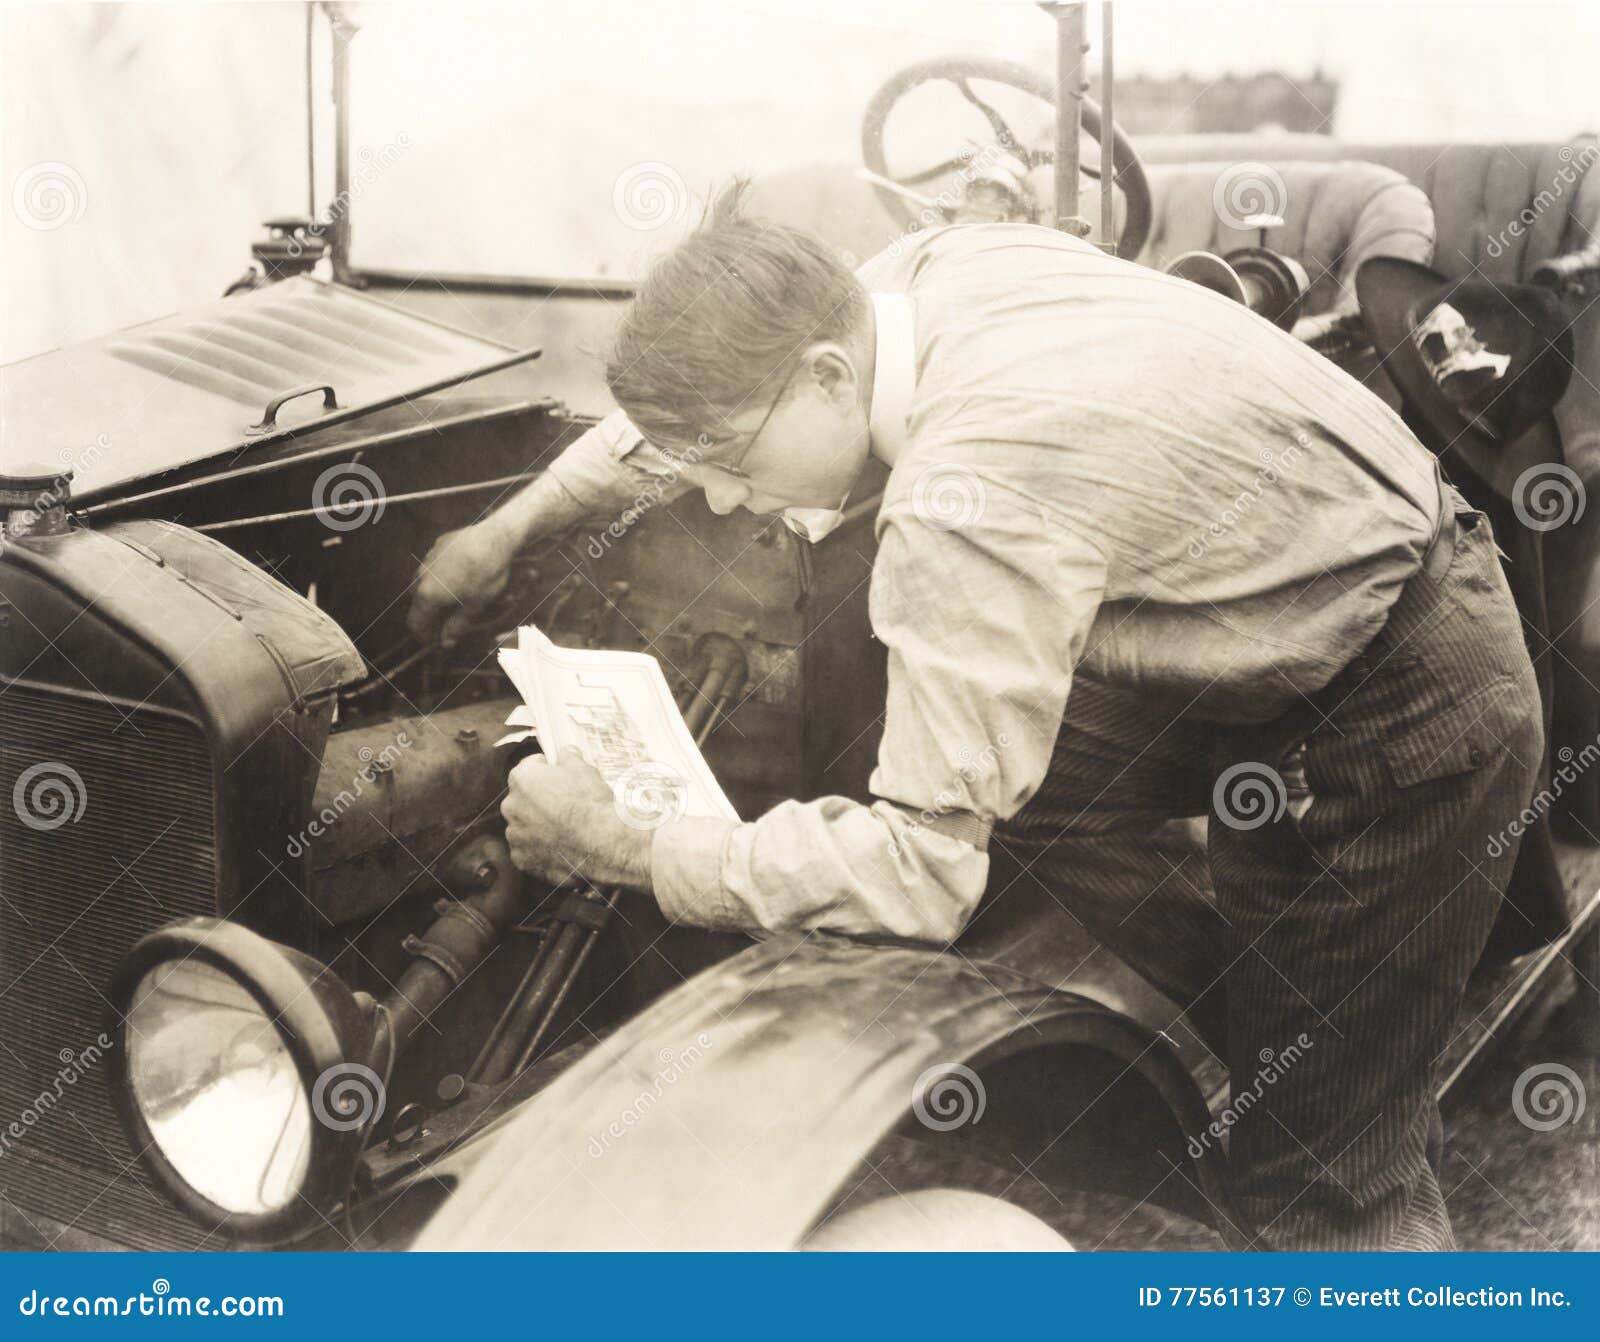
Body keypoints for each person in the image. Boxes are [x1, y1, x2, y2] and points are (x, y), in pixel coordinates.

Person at [408, 183, 1545, 1250]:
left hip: (1408, 702)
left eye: (728, 461)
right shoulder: (909, 279)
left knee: (1313, 1182)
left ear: (820, 375)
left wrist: (629, 844)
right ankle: (1312, 1034)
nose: (715, 496)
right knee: (1046, 798)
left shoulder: (971, 495)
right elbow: (661, 426)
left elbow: (917, 877)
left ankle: (1346, 1112)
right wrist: (507, 530)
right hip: (1286, 627)